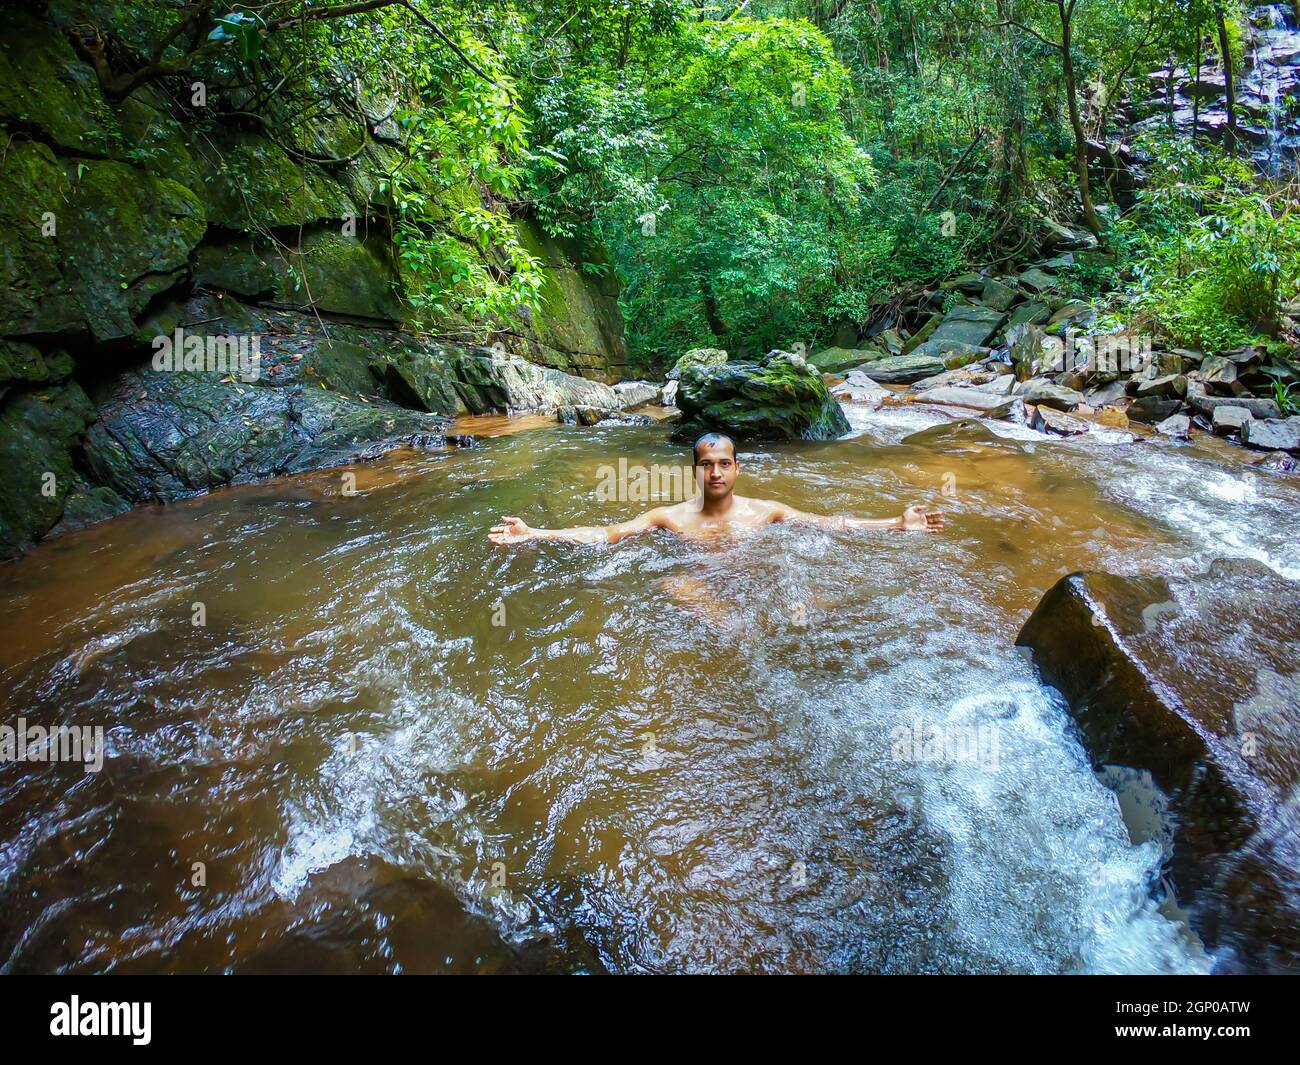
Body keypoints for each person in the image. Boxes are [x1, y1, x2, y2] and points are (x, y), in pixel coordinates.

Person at [488, 432, 944, 545]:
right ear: (695, 473)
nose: (716, 472)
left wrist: (896, 524)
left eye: (724, 463)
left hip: (757, 582)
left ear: (737, 468)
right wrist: (536, 534)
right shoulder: (669, 517)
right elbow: (608, 533)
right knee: (678, 584)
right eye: (707, 465)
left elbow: (830, 523)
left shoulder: (766, 510)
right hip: (701, 593)